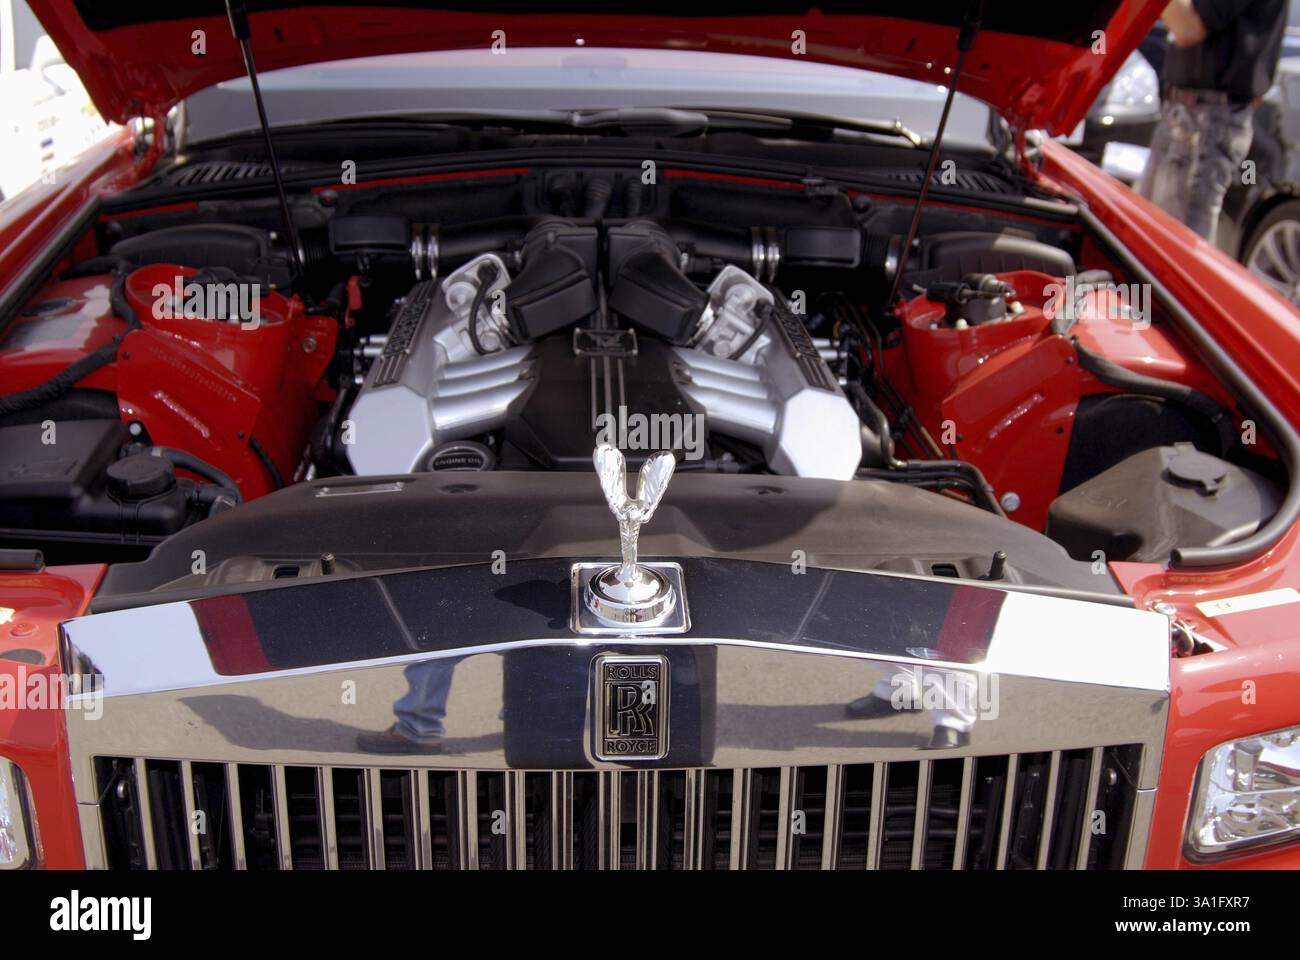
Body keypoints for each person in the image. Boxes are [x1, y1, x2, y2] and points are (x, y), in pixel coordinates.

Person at [1138, 0, 1288, 241]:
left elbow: (1188, 27)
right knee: (1143, 241)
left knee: (1175, 251)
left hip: (1209, 121)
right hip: (1184, 111)